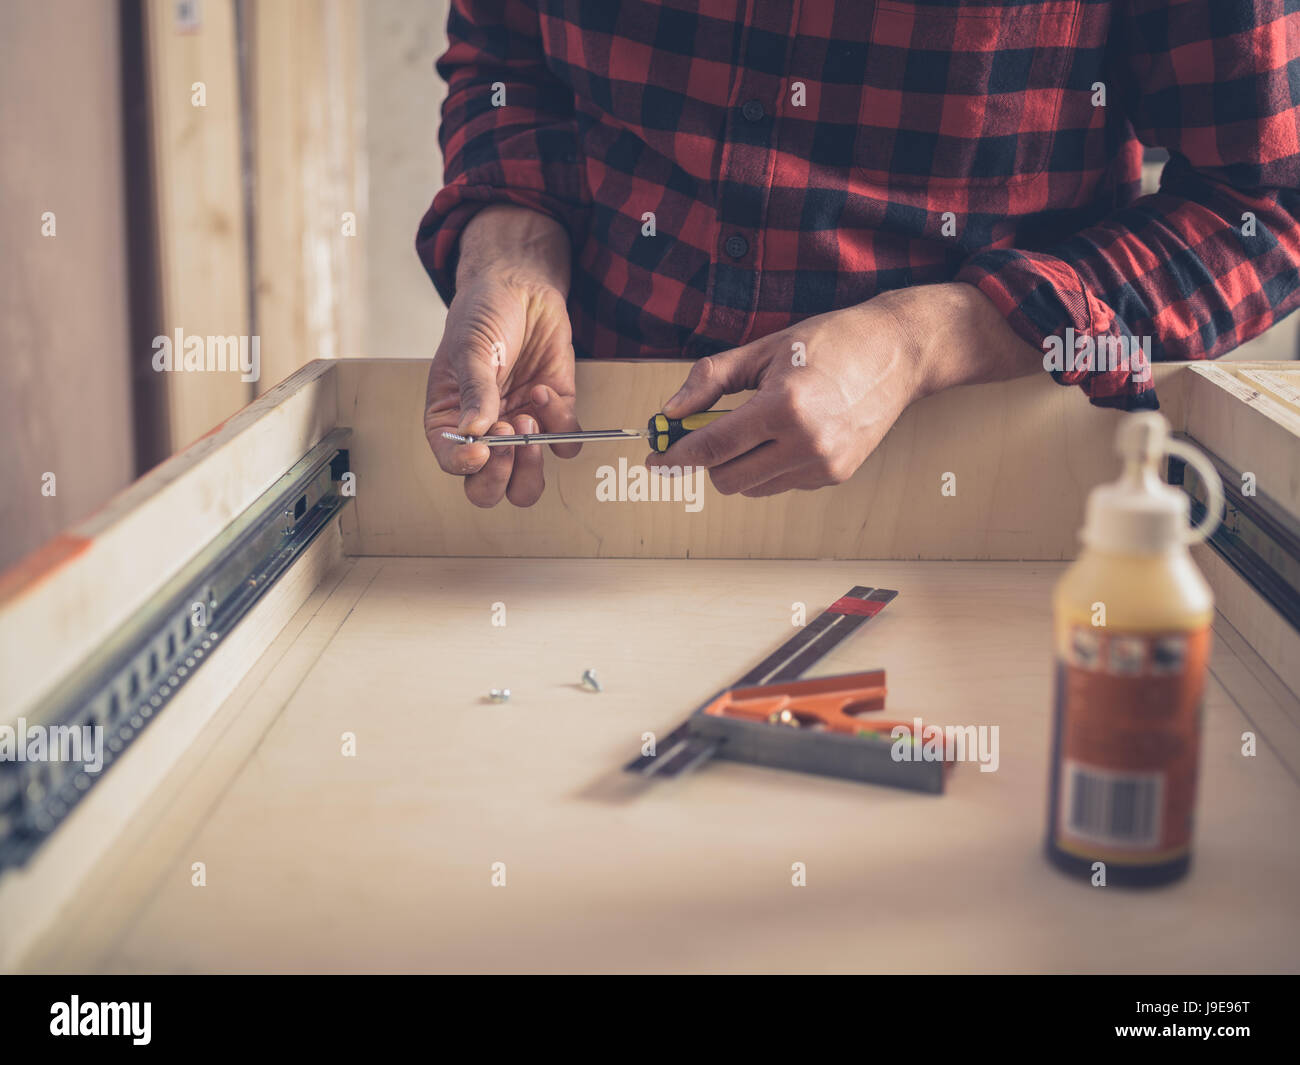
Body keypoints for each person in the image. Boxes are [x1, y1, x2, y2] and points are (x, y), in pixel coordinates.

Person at [418, 1, 1300, 508]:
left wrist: (925, 339)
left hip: (994, 497)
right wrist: (513, 252)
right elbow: (506, 50)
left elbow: (1263, 207)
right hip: (593, 480)